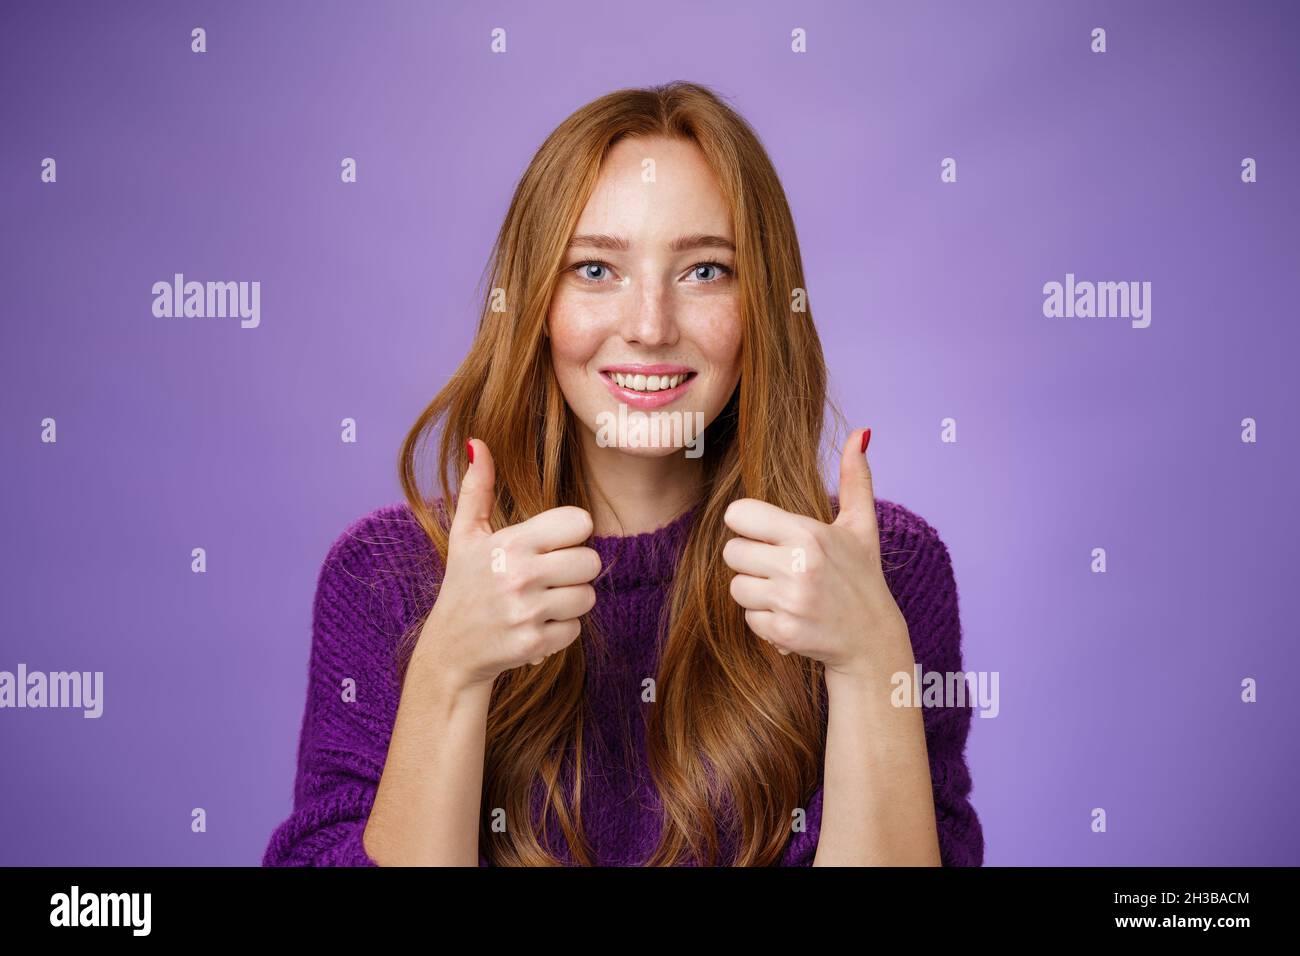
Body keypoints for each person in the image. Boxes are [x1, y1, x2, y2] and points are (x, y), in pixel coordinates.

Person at [263, 81, 984, 867]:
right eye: (596, 270)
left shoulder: (884, 573)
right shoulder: (388, 575)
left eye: (705, 271)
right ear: (534, 300)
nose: (648, 327)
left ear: (767, 306)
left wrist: (873, 657)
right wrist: (447, 672)